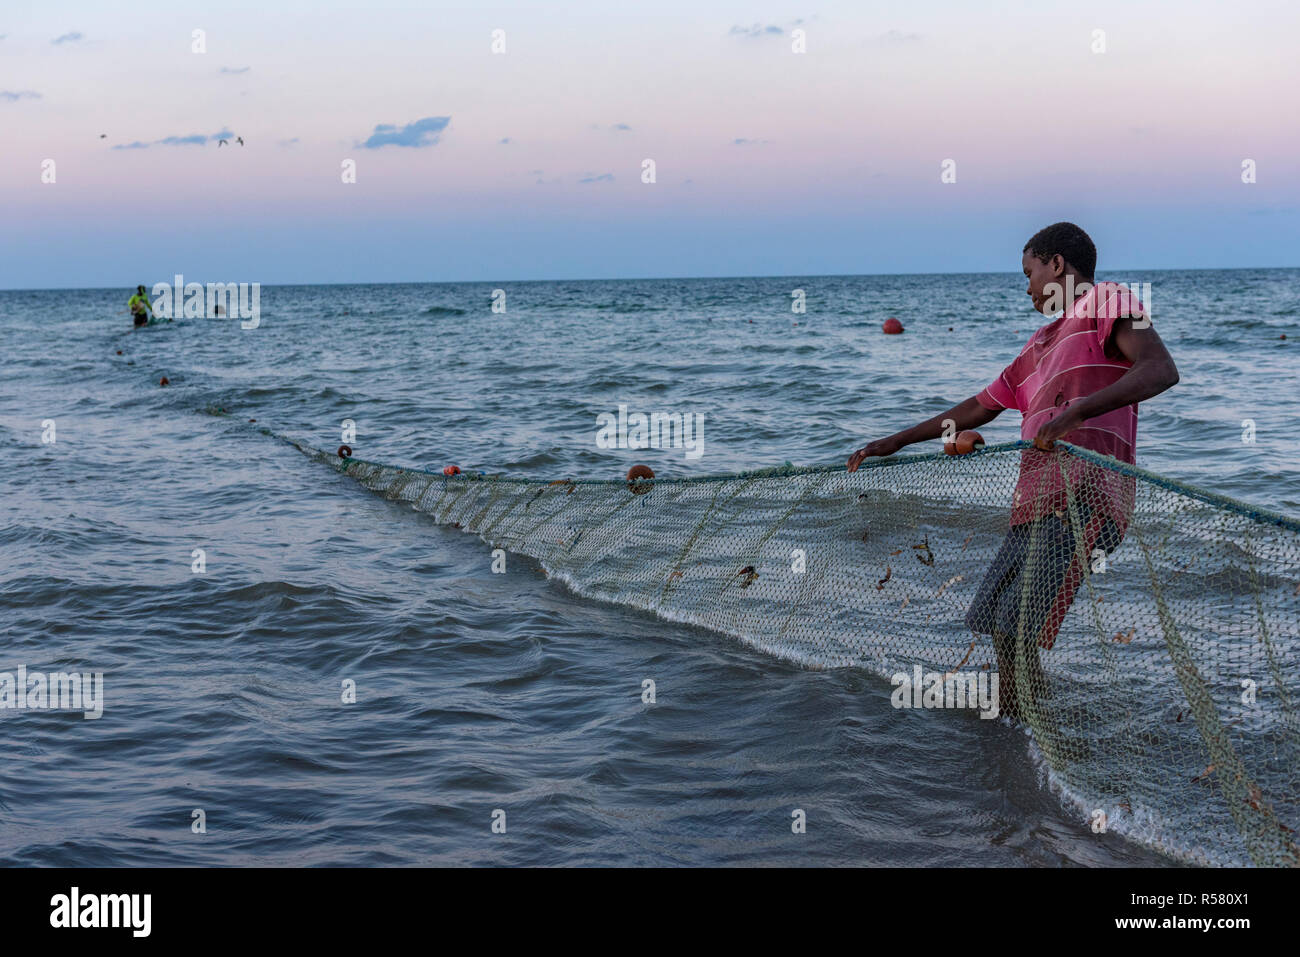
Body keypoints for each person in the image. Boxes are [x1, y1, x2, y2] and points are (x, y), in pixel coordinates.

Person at [846, 222, 1180, 720]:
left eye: (1029, 272)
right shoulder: (1040, 343)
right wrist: (896, 440)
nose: (1026, 286)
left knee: (1017, 620)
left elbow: (1158, 369)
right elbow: (979, 408)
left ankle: (1022, 726)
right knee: (997, 617)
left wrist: (1077, 412)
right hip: (1037, 502)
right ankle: (1023, 720)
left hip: (1087, 494)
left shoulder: (1106, 301)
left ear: (1058, 266)